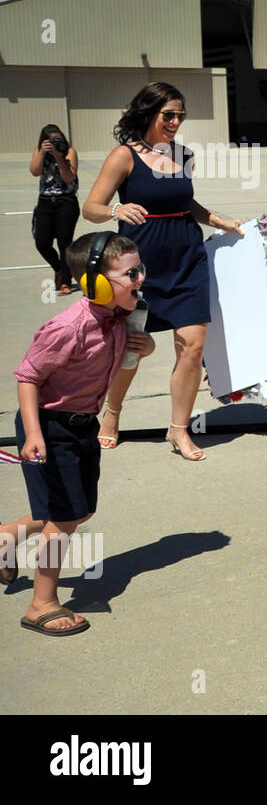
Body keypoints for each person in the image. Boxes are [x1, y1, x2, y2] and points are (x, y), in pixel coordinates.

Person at [1, 233, 157, 633]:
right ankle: (42, 603)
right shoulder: (67, 327)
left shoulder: (121, 316)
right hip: (49, 427)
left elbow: (113, 359)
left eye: (141, 269)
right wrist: (33, 434)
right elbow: (27, 378)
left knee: (79, 509)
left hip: (83, 424)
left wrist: (146, 346)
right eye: (131, 273)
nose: (141, 278)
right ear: (96, 284)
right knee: (65, 519)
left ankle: (5, 538)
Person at [82, 81, 244, 460]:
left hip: (187, 259)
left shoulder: (184, 155)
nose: (175, 121)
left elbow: (186, 202)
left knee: (192, 345)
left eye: (180, 115)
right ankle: (112, 413)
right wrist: (114, 211)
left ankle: (179, 430)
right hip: (139, 266)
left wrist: (219, 221)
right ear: (149, 113)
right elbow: (90, 206)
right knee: (131, 351)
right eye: (168, 114)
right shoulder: (124, 156)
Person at [29, 124, 81, 296]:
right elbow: (35, 172)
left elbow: (68, 178)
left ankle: (66, 282)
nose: (54, 142)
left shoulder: (69, 152)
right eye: (51, 140)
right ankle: (59, 268)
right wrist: (43, 152)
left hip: (66, 201)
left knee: (64, 243)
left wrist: (59, 157)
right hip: (45, 202)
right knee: (41, 242)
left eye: (57, 139)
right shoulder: (40, 151)